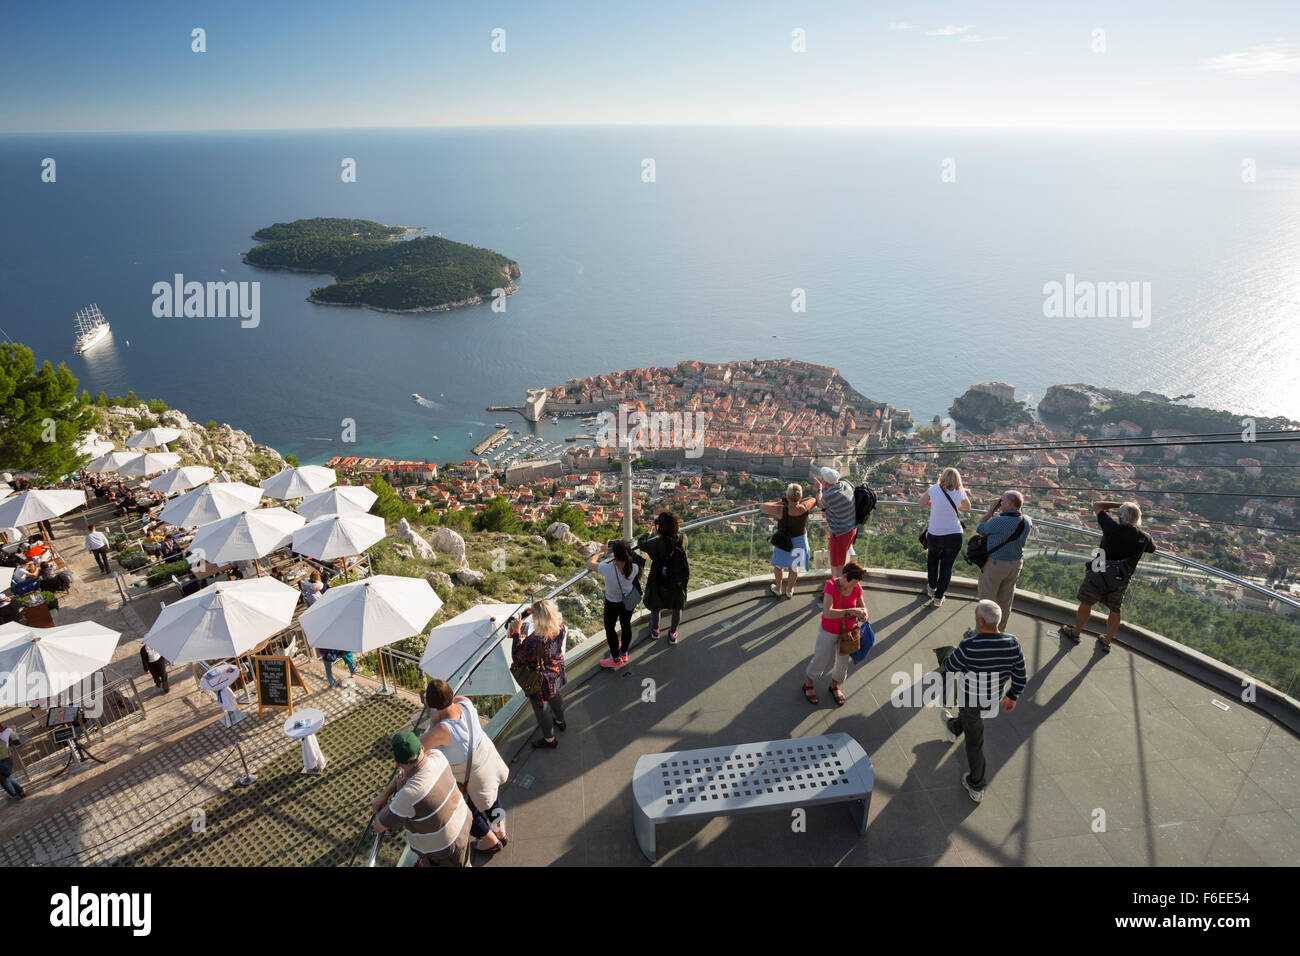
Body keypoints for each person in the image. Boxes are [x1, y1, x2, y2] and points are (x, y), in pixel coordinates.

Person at [938, 599, 1027, 804]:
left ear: (979, 620)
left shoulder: (970, 645)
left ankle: (976, 784)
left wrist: (952, 653)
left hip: (970, 697)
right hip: (993, 697)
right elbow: (1021, 676)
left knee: (975, 741)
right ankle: (953, 727)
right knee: (971, 719)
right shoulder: (1012, 642)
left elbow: (951, 666)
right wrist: (1012, 696)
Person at [421, 678, 509, 855]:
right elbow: (454, 701)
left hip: (469, 778)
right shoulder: (466, 704)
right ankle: (501, 832)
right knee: (492, 799)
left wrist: (433, 721)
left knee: (466, 809)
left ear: (432, 705)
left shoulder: (442, 730)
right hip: (487, 765)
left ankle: (489, 841)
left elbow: (419, 746)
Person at [1059, 501, 1157, 653]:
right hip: (1120, 580)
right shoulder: (1143, 538)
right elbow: (1153, 549)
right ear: (1138, 519)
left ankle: (1076, 633)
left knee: (1086, 603)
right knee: (1115, 610)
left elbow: (1097, 505)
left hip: (1098, 574)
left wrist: (1122, 504)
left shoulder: (1111, 528)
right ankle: (1107, 641)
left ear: (1120, 517)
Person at [371, 732, 472, 867]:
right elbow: (410, 777)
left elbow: (378, 826)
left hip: (445, 847)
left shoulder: (408, 794)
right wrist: (387, 794)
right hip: (463, 822)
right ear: (423, 748)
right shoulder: (437, 756)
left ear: (397, 763)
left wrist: (389, 796)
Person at [803, 562, 868, 706]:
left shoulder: (856, 587)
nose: (854, 586)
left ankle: (834, 685)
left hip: (848, 632)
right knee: (821, 657)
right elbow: (827, 612)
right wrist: (851, 611)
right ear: (844, 576)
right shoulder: (831, 585)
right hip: (829, 630)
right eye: (853, 582)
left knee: (842, 662)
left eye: (856, 583)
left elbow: (863, 607)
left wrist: (864, 614)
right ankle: (809, 683)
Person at [510, 599, 568, 749]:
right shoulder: (560, 626)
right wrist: (534, 611)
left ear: (538, 620)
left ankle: (549, 739)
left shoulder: (533, 641)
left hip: (541, 679)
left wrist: (516, 633)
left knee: (540, 710)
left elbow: (517, 657)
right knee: (555, 695)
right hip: (556, 669)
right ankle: (561, 721)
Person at [975, 490, 1033, 629]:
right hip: (1016, 565)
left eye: (1002, 501)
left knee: (987, 601)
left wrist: (990, 511)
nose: (1000, 503)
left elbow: (979, 527)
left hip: (996, 564)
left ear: (1008, 503)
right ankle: (999, 631)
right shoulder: (1027, 521)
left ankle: (981, 633)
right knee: (1005, 601)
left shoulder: (998, 521)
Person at [918, 467, 971, 607]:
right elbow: (967, 507)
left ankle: (931, 589)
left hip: (935, 534)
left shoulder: (934, 489)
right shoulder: (961, 492)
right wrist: (956, 505)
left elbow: (921, 503)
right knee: (947, 567)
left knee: (932, 562)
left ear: (942, 477)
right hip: (954, 535)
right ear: (958, 479)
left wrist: (935, 503)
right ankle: (938, 598)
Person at [586, 540, 644, 669]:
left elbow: (589, 563)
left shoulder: (608, 569)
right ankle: (623, 653)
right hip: (627, 601)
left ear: (615, 556)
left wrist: (602, 552)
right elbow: (629, 558)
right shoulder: (633, 567)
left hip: (612, 603)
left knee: (610, 628)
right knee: (626, 625)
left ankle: (616, 659)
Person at [636, 511, 689, 644]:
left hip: (658, 577)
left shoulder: (657, 543)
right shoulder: (683, 538)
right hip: (677, 578)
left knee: (656, 604)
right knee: (677, 606)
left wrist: (649, 532)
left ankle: (655, 629)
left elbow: (641, 544)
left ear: (660, 526)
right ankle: (672, 633)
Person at [760, 483, 817, 598]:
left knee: (779, 566)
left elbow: (763, 506)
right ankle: (789, 591)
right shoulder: (804, 507)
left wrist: (780, 502)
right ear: (800, 497)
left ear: (788, 496)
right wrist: (799, 500)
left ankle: (778, 588)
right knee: (794, 568)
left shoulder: (781, 509)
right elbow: (813, 499)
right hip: (800, 541)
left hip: (784, 542)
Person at [814, 467, 857, 581]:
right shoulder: (845, 485)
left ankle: (837, 586)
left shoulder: (830, 495)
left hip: (840, 534)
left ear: (825, 482)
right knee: (840, 559)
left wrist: (819, 490)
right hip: (851, 528)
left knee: (837, 563)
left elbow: (820, 503)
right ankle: (838, 583)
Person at [0, 723, 25, 800]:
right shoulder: (6, 732)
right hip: (7, 760)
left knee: (4, 780)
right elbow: (15, 737)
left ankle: (14, 794)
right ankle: (20, 791)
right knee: (7, 777)